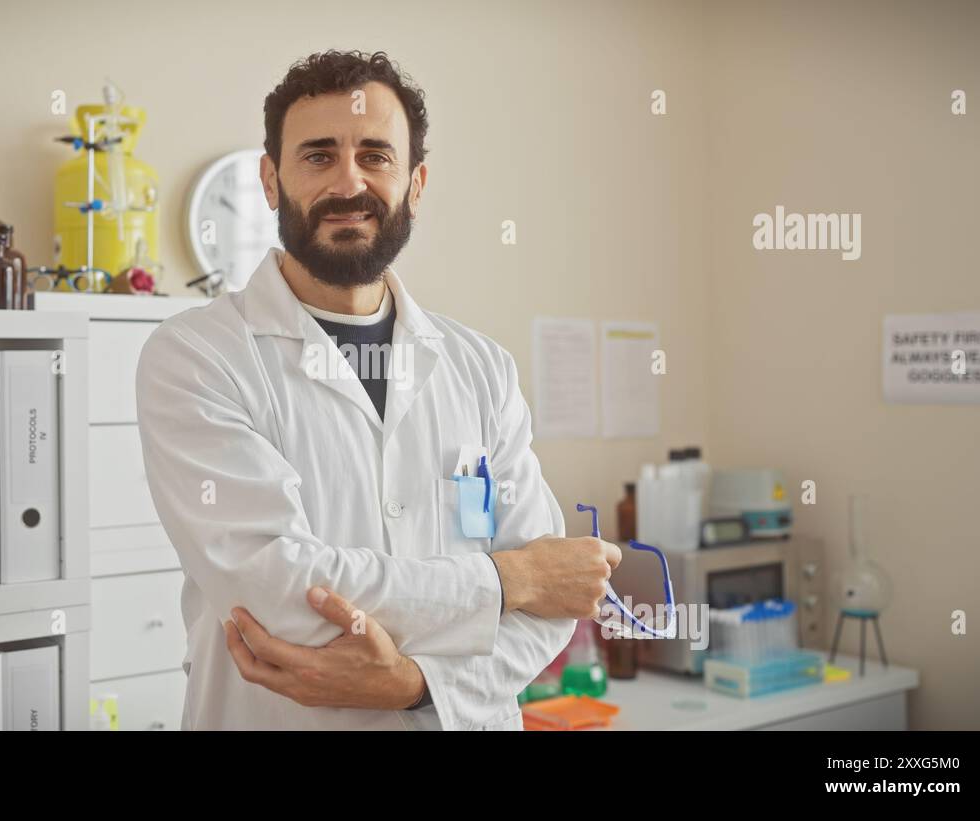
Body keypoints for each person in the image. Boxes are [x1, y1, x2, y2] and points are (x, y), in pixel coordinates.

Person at [136, 50, 620, 730]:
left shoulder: (481, 367)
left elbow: (550, 612)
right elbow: (280, 588)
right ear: (271, 180)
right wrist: (513, 579)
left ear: (415, 184)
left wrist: (417, 684)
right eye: (318, 156)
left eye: (375, 154)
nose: (348, 181)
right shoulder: (197, 356)